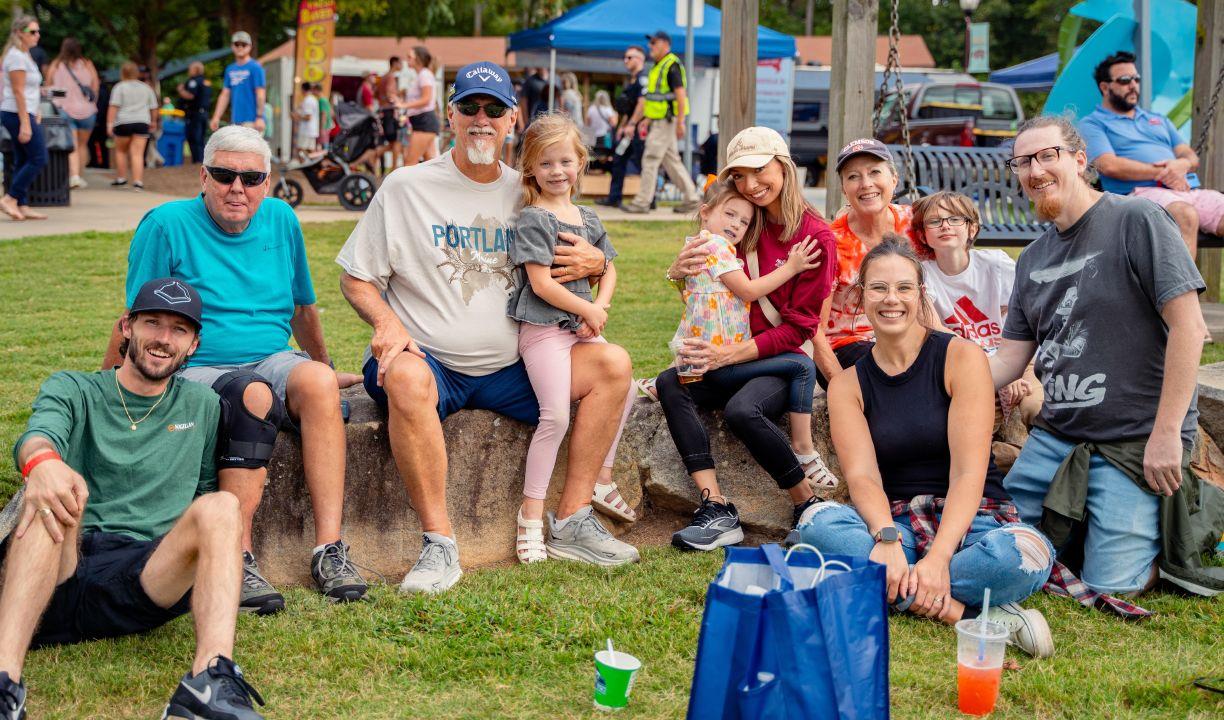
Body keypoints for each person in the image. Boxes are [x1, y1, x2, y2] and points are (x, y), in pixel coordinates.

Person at [336, 62, 625, 594]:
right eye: (469, 107)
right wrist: (385, 320)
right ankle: (439, 545)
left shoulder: (530, 191)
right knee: (402, 377)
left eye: (494, 109)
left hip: (513, 365)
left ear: (512, 120)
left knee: (612, 365)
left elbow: (590, 255)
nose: (481, 119)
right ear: (450, 115)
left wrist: (598, 266)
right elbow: (356, 280)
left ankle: (571, 519)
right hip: (432, 361)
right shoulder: (406, 187)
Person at [102, 125, 367, 615]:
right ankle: (237, 557)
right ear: (203, 177)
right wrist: (107, 390)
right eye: (224, 175)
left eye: (251, 178)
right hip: (198, 366)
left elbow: (303, 309)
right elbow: (136, 319)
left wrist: (325, 368)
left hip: (272, 354)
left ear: (268, 182)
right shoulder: (165, 224)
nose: (237, 188)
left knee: (317, 384)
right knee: (249, 393)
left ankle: (329, 549)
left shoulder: (282, 219)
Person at [0, 277, 268, 719]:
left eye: (179, 330)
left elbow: (203, 491)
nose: (164, 339)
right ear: (127, 327)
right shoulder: (75, 388)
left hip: (144, 576)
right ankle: (6, 683)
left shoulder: (202, 404)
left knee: (222, 505)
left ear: (194, 344)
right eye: (152, 323)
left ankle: (210, 682)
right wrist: (43, 462)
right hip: (63, 563)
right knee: (50, 489)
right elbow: (38, 434)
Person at [797, 239, 1056, 658]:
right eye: (878, 288)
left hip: (974, 522)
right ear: (861, 296)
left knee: (1024, 554)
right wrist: (886, 541)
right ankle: (966, 614)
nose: (891, 299)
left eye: (904, 287)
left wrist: (937, 559)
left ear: (921, 293)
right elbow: (863, 476)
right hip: (896, 524)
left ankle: (896, 587)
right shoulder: (848, 384)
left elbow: (968, 473)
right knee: (817, 527)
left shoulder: (960, 357)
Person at [992, 115, 1211, 598]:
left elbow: (1190, 328)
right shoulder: (1032, 259)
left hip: (1135, 440)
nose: (1035, 170)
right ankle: (1091, 525)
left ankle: (1167, 544)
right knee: (1000, 543)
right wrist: (934, 369)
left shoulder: (1137, 219)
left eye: (1047, 155)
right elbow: (1007, 360)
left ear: (1078, 159)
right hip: (1058, 436)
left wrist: (1167, 434)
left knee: (1110, 585)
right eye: (1023, 162)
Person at [657, 126, 836, 551]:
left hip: (772, 358)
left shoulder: (815, 239)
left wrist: (727, 356)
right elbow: (708, 291)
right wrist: (676, 271)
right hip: (729, 354)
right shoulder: (744, 219)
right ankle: (716, 507)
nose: (750, 185)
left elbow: (800, 327)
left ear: (784, 165)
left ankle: (805, 504)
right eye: (738, 176)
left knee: (743, 410)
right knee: (670, 382)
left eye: (759, 171)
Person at [507, 113, 639, 565]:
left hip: (581, 329)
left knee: (627, 384)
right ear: (531, 170)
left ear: (580, 163)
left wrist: (600, 306)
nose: (557, 172)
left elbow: (610, 266)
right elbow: (542, 284)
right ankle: (531, 517)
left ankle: (601, 477)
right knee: (555, 417)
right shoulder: (534, 219)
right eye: (546, 164)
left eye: (565, 161)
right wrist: (587, 310)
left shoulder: (586, 216)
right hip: (544, 332)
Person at [668, 181, 834, 487]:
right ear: (705, 213)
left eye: (744, 222)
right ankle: (804, 449)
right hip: (723, 356)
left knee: (737, 403)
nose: (736, 224)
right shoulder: (717, 247)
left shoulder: (706, 245)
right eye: (730, 214)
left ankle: (714, 493)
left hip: (723, 352)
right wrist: (792, 267)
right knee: (801, 366)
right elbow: (747, 289)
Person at [910, 191, 1042, 427]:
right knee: (968, 421)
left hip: (1015, 356)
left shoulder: (996, 265)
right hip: (963, 365)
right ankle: (1003, 455)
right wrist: (997, 369)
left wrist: (1011, 369)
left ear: (972, 229)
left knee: (1035, 406)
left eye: (955, 219)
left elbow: (1021, 320)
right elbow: (938, 330)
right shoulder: (922, 275)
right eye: (935, 221)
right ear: (923, 235)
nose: (945, 226)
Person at [1079, 51, 1224, 255]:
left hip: (1185, 190)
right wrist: (1162, 172)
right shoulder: (1092, 123)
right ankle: (1184, 288)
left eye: (1136, 79)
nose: (1133, 85)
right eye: (1124, 80)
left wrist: (1179, 166)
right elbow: (1108, 165)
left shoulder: (1157, 119)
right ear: (1105, 87)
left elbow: (1190, 156)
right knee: (1184, 214)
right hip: (1136, 197)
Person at [817, 138, 915, 388]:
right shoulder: (831, 242)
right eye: (853, 176)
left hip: (908, 334)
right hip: (849, 345)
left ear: (893, 179)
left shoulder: (915, 223)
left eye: (874, 172)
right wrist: (840, 387)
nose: (866, 183)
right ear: (843, 189)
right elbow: (815, 329)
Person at [622, 31, 699, 215]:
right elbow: (656, 99)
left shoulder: (671, 65)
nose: (651, 47)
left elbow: (681, 96)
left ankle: (642, 202)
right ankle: (692, 198)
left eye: (654, 44)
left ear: (665, 44)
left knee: (650, 159)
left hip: (666, 121)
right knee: (672, 161)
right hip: (660, 120)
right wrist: (647, 119)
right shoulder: (658, 66)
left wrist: (681, 122)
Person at [0, 15, 48, 221]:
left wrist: (36, 110)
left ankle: (22, 203)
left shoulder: (25, 55)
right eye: (32, 32)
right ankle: (10, 198)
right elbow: (18, 92)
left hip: (25, 112)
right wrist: (26, 123)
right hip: (16, 113)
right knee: (39, 157)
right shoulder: (16, 57)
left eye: (38, 31)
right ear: (19, 32)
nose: (37, 35)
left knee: (23, 158)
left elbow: (31, 90)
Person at [595, 45, 648, 209]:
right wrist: (622, 126)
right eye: (625, 57)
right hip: (628, 130)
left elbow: (643, 103)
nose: (626, 60)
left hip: (639, 130)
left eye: (629, 57)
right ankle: (614, 197)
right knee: (618, 160)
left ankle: (650, 199)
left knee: (643, 165)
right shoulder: (630, 81)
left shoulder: (643, 78)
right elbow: (627, 107)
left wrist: (632, 124)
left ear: (640, 59)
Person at [46, 37, 98, 189]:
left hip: (65, 109)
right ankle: (79, 176)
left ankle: (73, 176)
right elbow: (95, 86)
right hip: (87, 111)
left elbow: (49, 86)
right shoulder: (88, 65)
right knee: (82, 145)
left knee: (72, 145)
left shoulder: (56, 65)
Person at [106, 61, 158, 191]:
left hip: (123, 122)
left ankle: (121, 178)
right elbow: (154, 107)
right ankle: (138, 182)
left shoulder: (119, 87)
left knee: (121, 151)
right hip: (141, 122)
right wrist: (153, 121)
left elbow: (113, 107)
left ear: (122, 72)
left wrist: (109, 124)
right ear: (136, 73)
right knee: (137, 154)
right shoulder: (146, 87)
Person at [210, 31, 265, 132]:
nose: (240, 47)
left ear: (250, 46)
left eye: (243, 44)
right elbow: (225, 95)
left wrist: (260, 117)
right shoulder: (230, 69)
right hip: (235, 121)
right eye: (237, 44)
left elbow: (260, 93)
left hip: (252, 121)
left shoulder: (256, 67)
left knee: (250, 148)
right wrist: (216, 117)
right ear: (232, 46)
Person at [401, 45, 440, 166]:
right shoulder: (421, 75)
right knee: (431, 165)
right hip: (421, 122)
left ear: (418, 58)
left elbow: (426, 99)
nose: (407, 60)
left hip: (424, 122)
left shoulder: (424, 74)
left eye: (409, 57)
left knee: (409, 163)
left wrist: (404, 105)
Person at [177, 60, 211, 163]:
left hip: (194, 114)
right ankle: (202, 159)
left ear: (195, 70)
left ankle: (197, 160)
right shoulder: (206, 82)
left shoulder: (193, 81)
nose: (188, 71)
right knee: (201, 138)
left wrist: (181, 90)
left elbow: (190, 95)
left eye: (190, 69)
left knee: (193, 137)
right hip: (204, 113)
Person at [377, 56, 403, 167]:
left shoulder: (383, 77)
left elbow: (377, 94)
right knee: (396, 142)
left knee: (394, 143)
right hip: (390, 112)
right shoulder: (391, 77)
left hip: (384, 112)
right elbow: (389, 94)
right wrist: (399, 101)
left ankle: (393, 168)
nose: (402, 66)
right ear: (395, 63)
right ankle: (372, 155)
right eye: (400, 63)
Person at [292, 81, 319, 156]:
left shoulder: (308, 100)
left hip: (306, 130)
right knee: (310, 150)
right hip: (311, 130)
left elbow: (308, 117)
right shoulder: (312, 99)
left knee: (300, 149)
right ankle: (313, 166)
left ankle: (305, 165)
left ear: (303, 89)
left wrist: (296, 116)